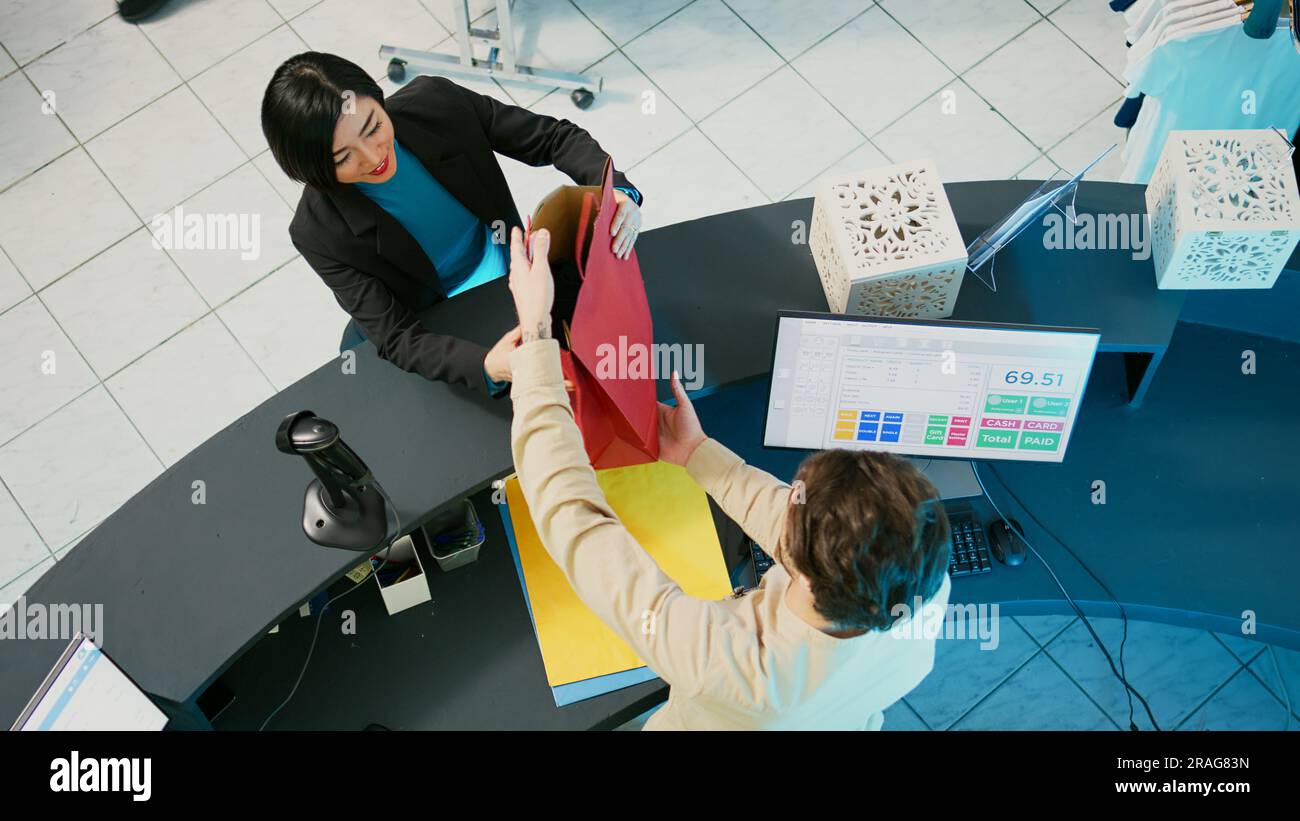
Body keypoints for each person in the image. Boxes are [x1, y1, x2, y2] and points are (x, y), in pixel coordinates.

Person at [503, 227, 953, 730]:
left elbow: (576, 527)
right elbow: (813, 532)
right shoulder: (921, 576)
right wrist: (698, 454)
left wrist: (536, 344)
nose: (785, 503)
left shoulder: (725, 663)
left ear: (801, 568)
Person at [261, 53, 642, 396]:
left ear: (378, 98)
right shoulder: (317, 233)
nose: (373, 156)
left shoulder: (436, 103)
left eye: (373, 127)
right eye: (343, 157)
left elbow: (553, 139)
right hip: (436, 321)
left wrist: (618, 192)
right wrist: (486, 367)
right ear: (312, 172)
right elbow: (397, 338)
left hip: (505, 274)